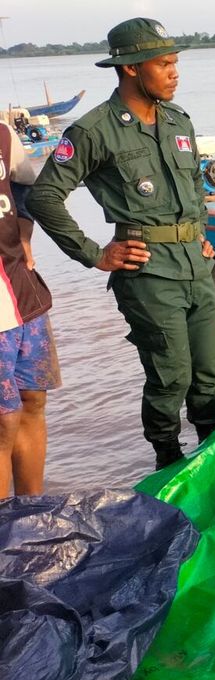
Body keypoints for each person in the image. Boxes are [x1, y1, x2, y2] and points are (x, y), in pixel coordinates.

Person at [27, 18, 215, 470]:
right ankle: (168, 463)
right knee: (170, 379)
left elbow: (195, 184)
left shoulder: (179, 121)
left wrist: (202, 234)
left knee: (208, 376)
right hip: (149, 273)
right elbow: (44, 196)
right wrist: (95, 254)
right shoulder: (95, 130)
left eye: (175, 62)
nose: (175, 72)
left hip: (197, 267)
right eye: (164, 63)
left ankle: (213, 458)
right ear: (132, 67)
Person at [0, 123, 60, 498]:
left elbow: (27, 186)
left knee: (32, 400)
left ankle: (31, 515)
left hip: (22, 292)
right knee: (3, 421)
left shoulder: (4, 134)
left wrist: (24, 234)